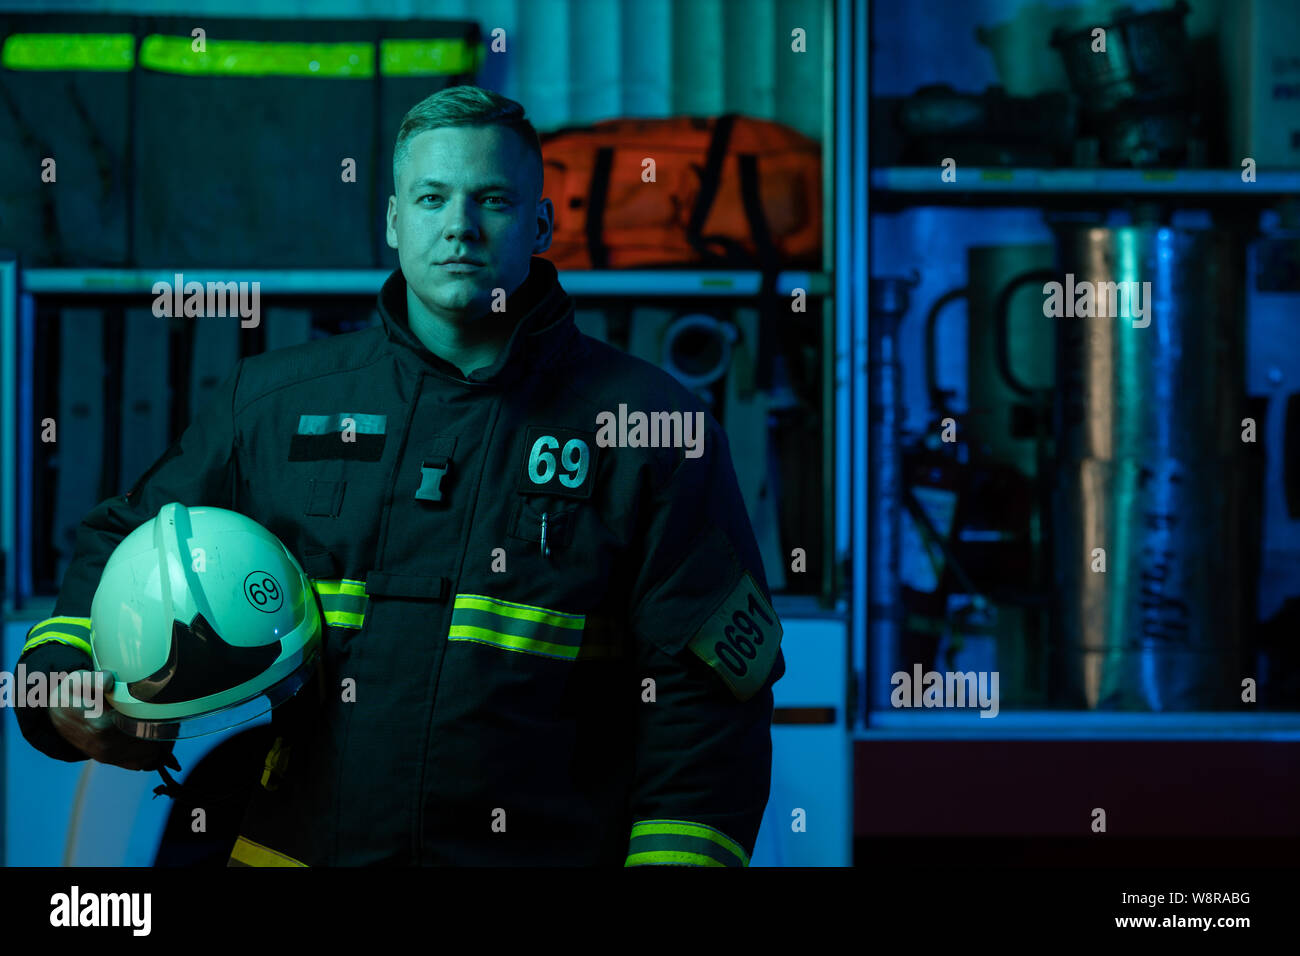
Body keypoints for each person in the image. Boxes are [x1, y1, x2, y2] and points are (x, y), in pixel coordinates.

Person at [16, 85, 786, 867]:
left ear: (542, 226)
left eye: (493, 199)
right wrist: (62, 678)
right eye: (431, 198)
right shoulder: (277, 404)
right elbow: (131, 537)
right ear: (394, 221)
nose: (460, 225)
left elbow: (705, 708)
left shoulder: (650, 432)